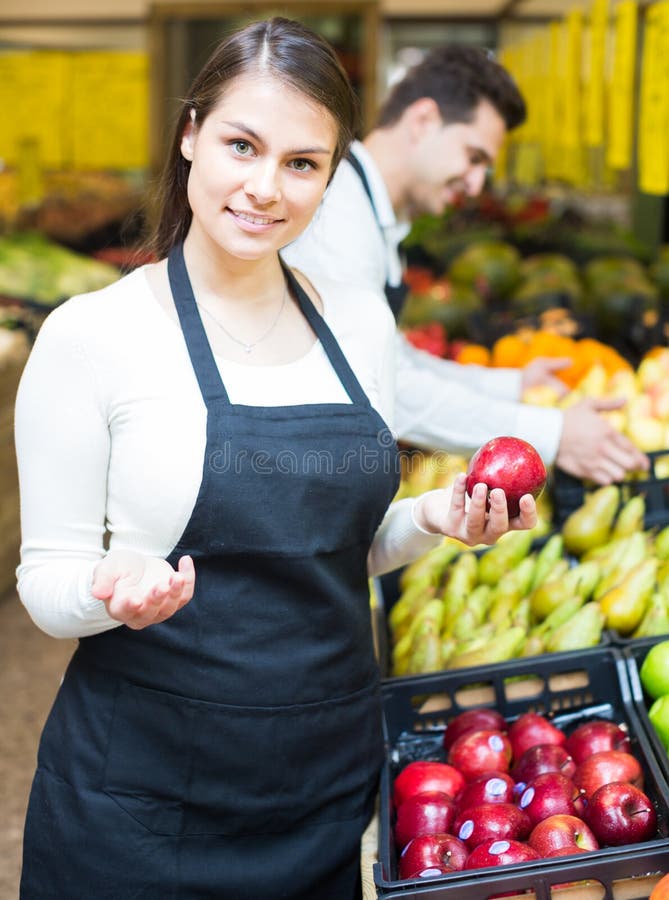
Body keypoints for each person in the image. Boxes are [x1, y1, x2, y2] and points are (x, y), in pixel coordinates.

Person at [14, 18, 538, 900]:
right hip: (144, 810)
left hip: (320, 795)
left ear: (331, 176)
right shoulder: (94, 336)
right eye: (241, 145)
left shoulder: (358, 324)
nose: (264, 188)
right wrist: (112, 593)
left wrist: (432, 519)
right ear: (189, 136)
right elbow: (44, 584)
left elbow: (343, 551)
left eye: (301, 163)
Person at [282, 45, 649, 486]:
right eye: (474, 157)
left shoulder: (373, 213)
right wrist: (551, 433)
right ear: (422, 121)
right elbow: (380, 388)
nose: (476, 185)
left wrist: (512, 386)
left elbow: (391, 359)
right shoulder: (337, 219)